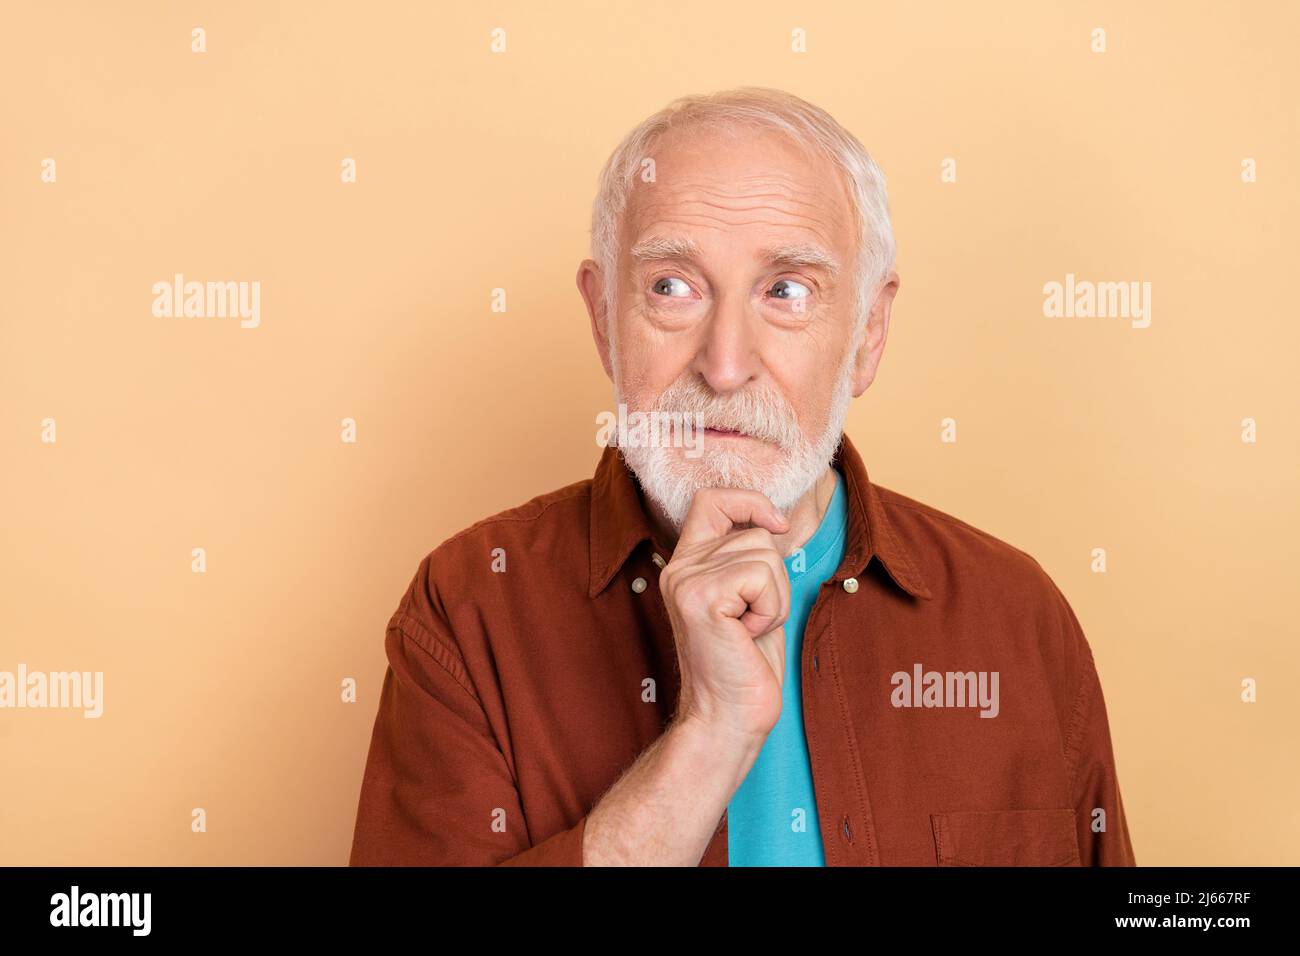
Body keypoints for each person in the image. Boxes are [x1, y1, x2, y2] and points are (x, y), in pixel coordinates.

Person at [348, 86, 1136, 867]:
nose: (724, 367)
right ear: (602, 320)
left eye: (787, 291)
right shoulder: (467, 609)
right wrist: (709, 736)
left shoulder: (1018, 617)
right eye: (671, 287)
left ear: (868, 332)